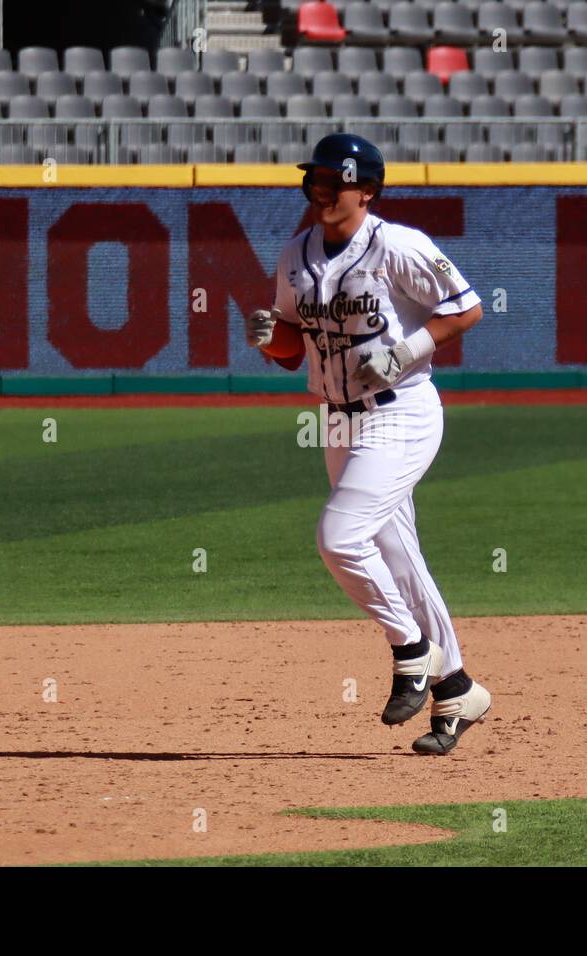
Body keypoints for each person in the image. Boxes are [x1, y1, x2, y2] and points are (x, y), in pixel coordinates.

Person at [244, 133, 491, 755]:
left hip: (401, 412)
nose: (321, 192)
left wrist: (408, 349)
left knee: (339, 537)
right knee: (399, 559)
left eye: (335, 182)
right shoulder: (294, 254)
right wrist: (269, 339)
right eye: (315, 182)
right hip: (337, 420)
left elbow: (465, 309)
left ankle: (410, 651)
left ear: (367, 190)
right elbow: (289, 349)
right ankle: (458, 688)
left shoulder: (398, 245)